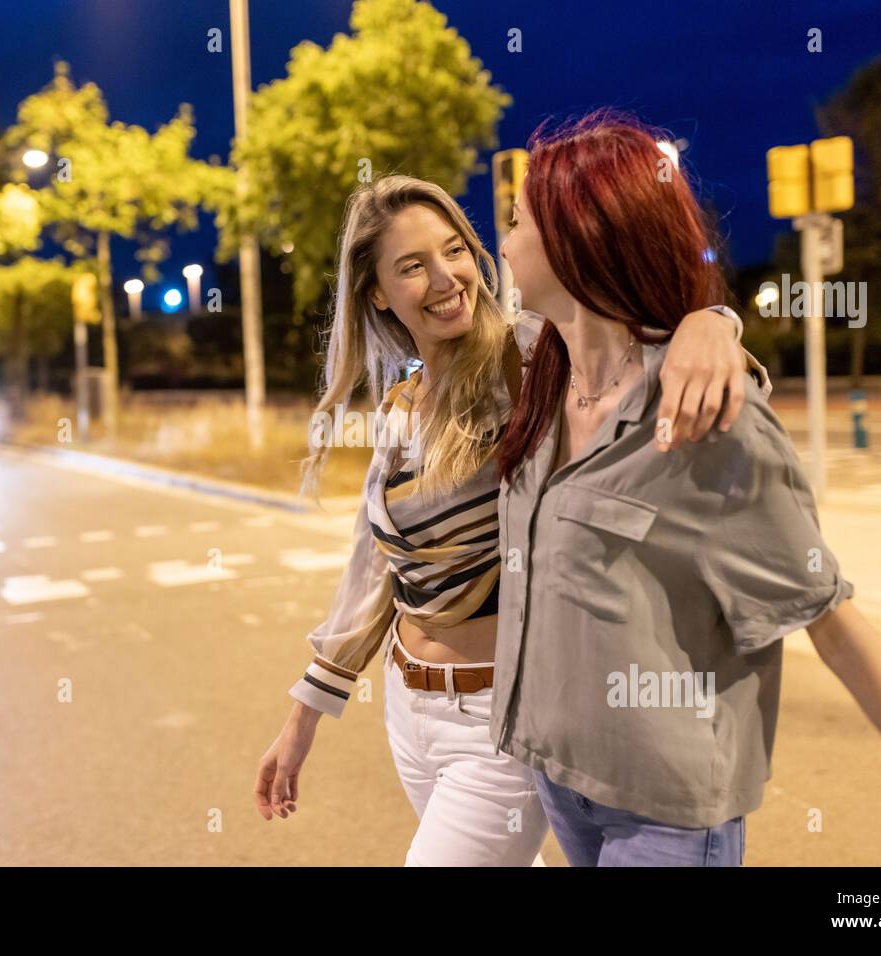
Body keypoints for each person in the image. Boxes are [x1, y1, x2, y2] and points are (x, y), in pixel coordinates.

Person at [494, 110, 881, 866]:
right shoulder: (537, 375)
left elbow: (830, 621)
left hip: (664, 813)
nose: (503, 242)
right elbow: (421, 312)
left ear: (582, 237)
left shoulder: (710, 420)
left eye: (518, 221)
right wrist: (714, 318)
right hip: (562, 785)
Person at [254, 173, 758, 865]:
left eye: (454, 250)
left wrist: (713, 324)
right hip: (409, 710)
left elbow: (667, 366)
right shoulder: (402, 404)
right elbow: (375, 568)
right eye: (413, 266)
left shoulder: (530, 356)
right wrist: (304, 717)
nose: (446, 278)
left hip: (504, 720)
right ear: (377, 292)